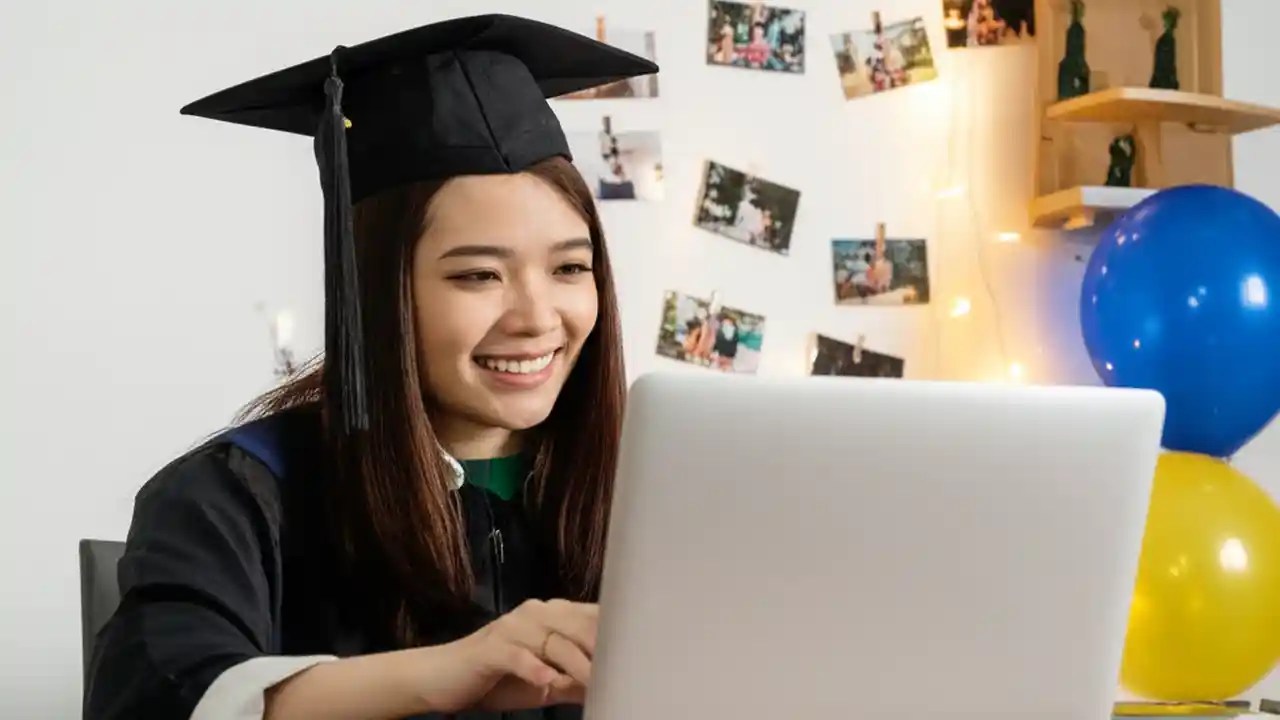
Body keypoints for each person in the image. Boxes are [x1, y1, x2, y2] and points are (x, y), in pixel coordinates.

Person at [82, 14, 657, 720]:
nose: (538, 316)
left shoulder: (653, 494)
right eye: (479, 276)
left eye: (570, 267)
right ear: (376, 294)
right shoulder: (237, 498)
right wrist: (452, 672)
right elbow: (162, 697)